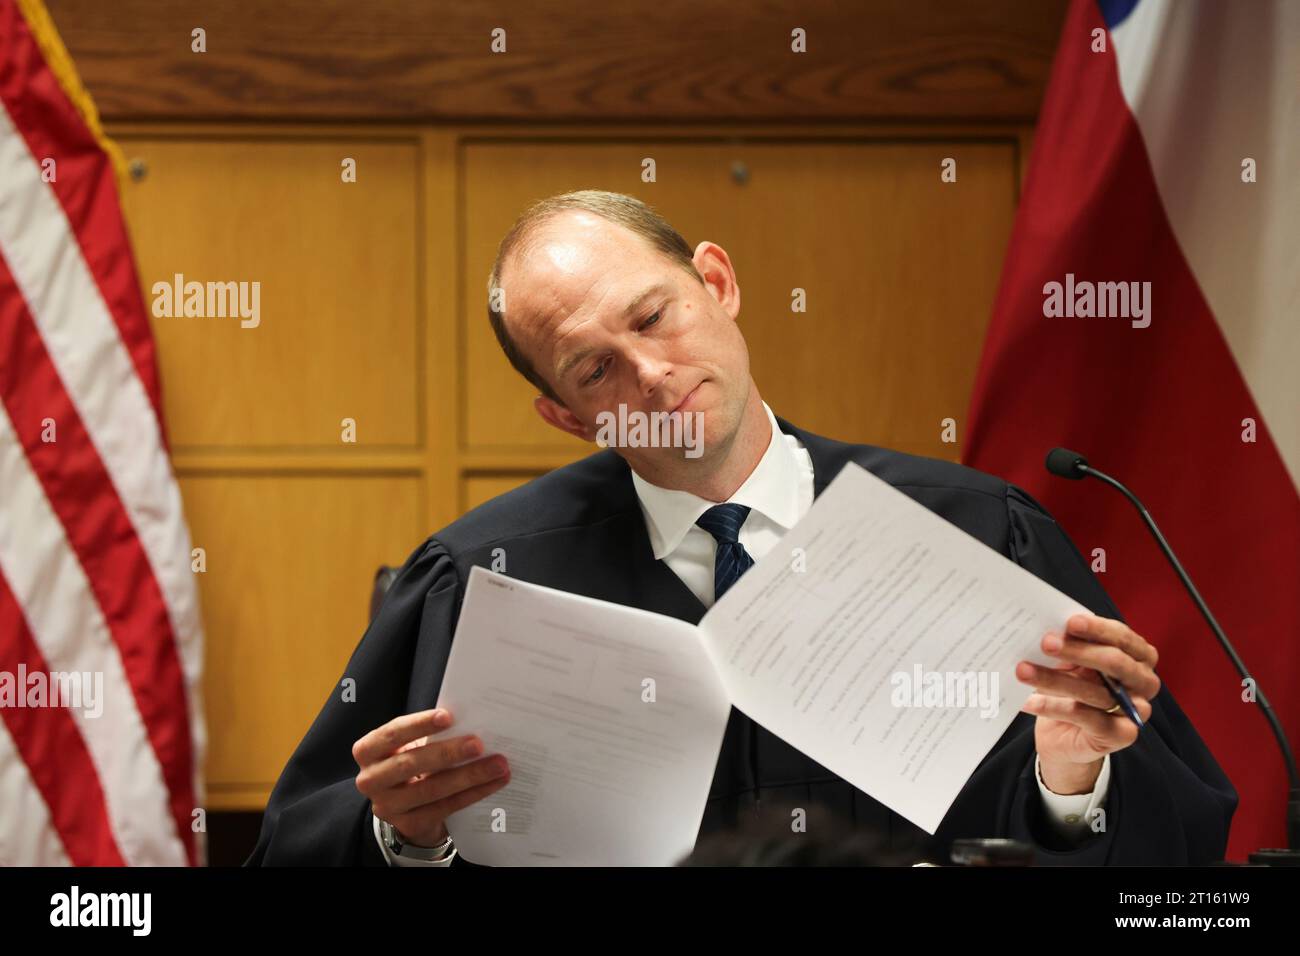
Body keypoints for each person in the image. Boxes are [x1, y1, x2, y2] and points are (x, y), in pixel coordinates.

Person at [247, 190, 1236, 867]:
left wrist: (1073, 774)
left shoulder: (974, 531)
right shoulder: (480, 574)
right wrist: (405, 838)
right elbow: (303, 840)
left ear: (716, 282)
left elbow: (1176, 851)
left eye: (655, 315)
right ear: (563, 413)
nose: (649, 374)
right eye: (592, 370)